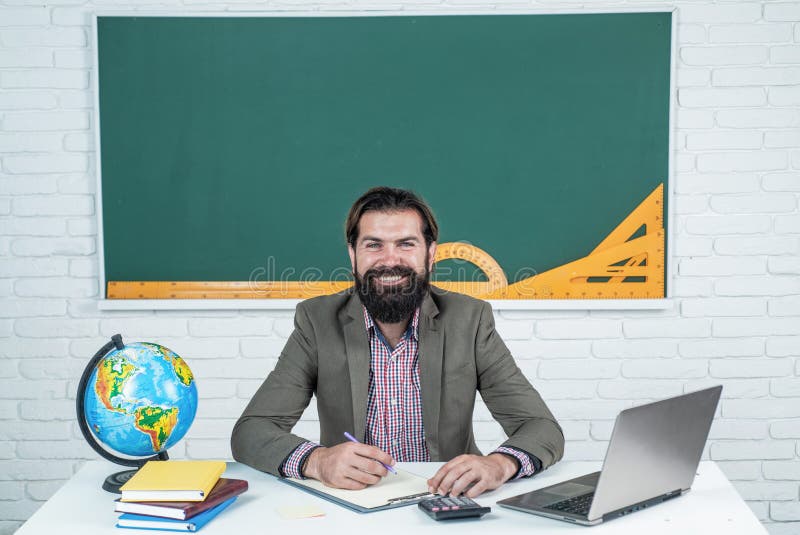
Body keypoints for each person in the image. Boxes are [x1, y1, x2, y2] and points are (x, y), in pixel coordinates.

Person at [231, 187, 564, 498]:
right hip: (353, 502)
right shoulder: (317, 322)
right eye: (373, 244)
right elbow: (252, 431)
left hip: (447, 499)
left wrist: (498, 464)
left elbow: (540, 427)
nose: (389, 260)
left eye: (406, 244)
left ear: (430, 253)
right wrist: (317, 462)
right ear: (353, 254)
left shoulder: (470, 320)